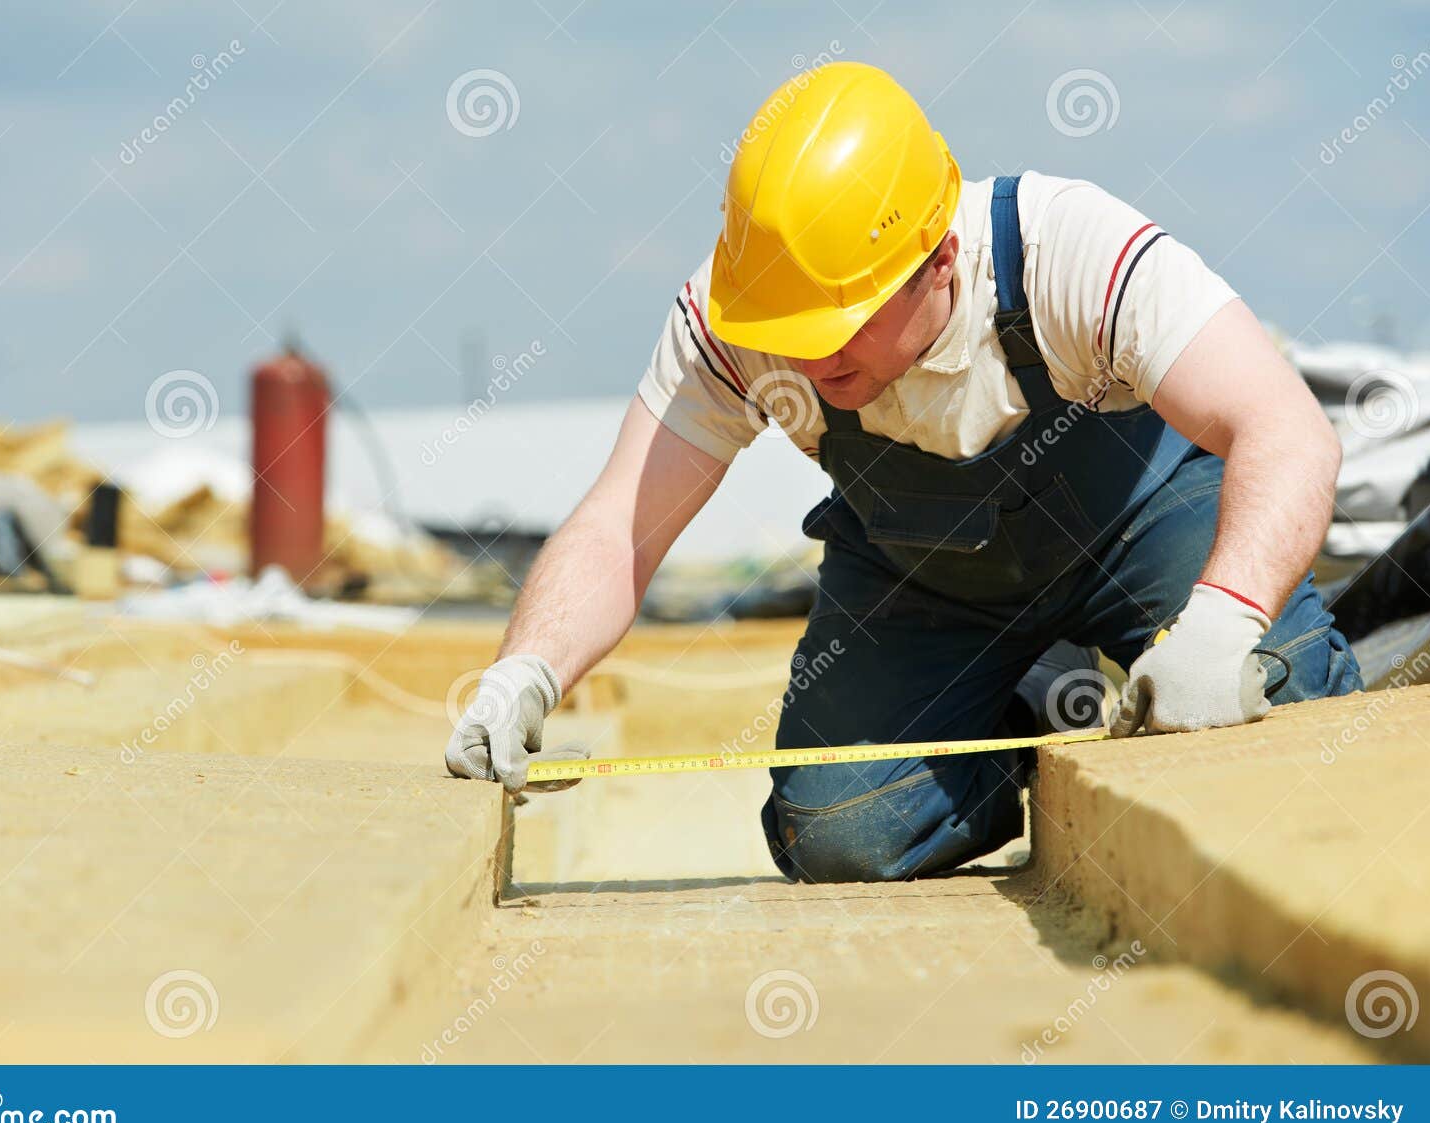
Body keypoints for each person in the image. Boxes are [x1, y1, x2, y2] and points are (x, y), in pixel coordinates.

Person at [446, 61, 1361, 883]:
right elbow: (620, 526)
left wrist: (1220, 624)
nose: (813, 362)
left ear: (941, 258)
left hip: (1140, 524)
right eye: (792, 332)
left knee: (1275, 691)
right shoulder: (738, 316)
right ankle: (1037, 700)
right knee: (841, 830)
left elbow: (1287, 429)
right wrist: (525, 671)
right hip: (926, 576)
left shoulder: (1067, 250)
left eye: (842, 324)